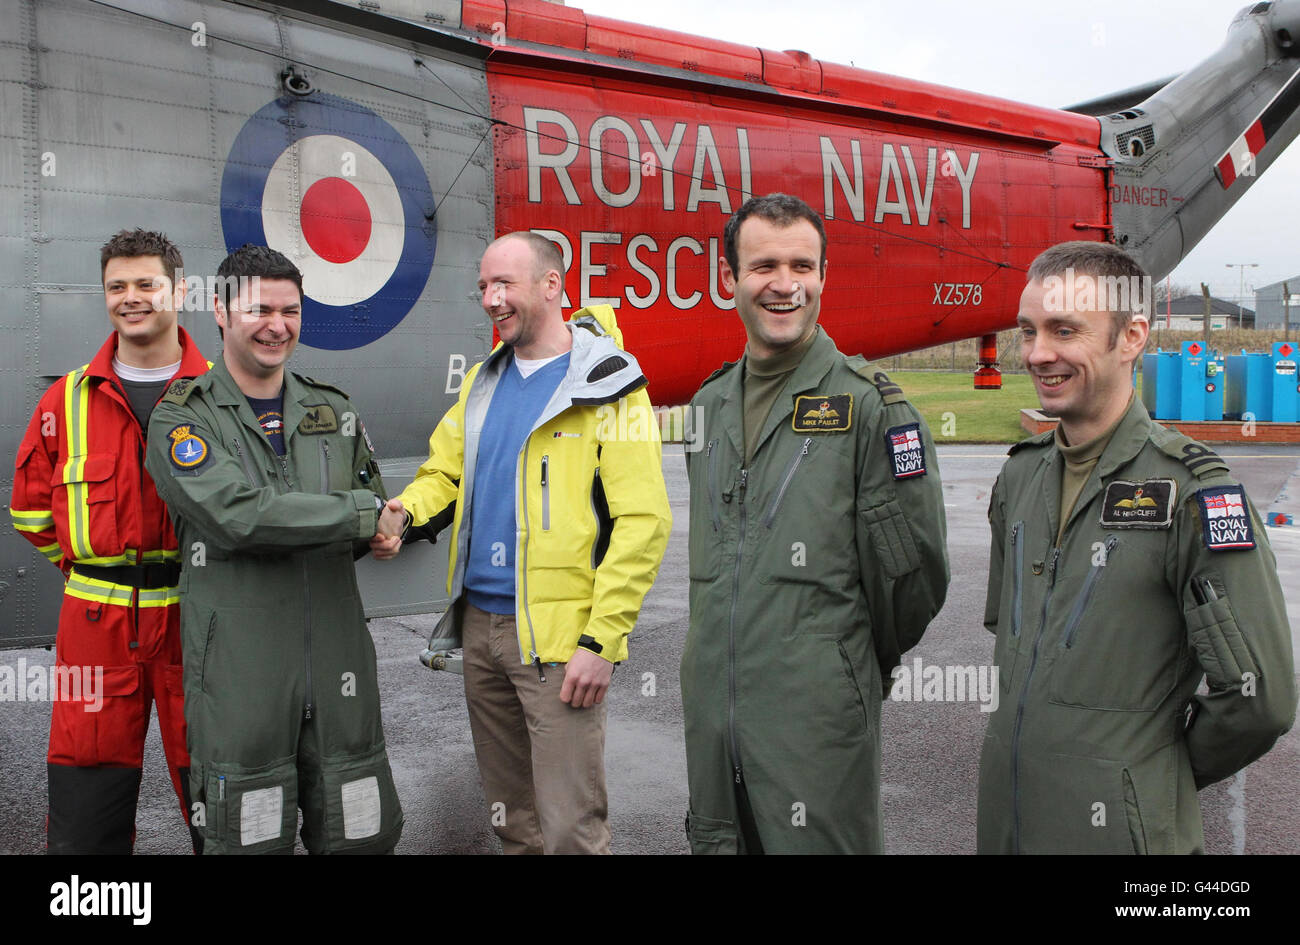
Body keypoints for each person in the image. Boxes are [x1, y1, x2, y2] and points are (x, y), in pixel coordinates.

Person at [978, 241, 1296, 854]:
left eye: (1064, 330)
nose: (1038, 353)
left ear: (1131, 337)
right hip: (1007, 822)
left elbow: (1262, 701)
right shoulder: (1020, 477)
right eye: (1029, 330)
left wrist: (1149, 770)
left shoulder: (1196, 493)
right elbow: (1016, 646)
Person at [383, 231, 671, 854]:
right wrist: (403, 514)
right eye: (484, 286)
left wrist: (604, 639)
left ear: (551, 285)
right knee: (511, 822)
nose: (490, 299)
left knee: (570, 829)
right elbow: (445, 474)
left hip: (561, 642)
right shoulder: (484, 382)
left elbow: (643, 522)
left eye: (504, 284)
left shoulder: (609, 386)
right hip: (481, 629)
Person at [680, 193, 949, 854]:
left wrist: (841, 665)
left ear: (824, 277)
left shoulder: (870, 409)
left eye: (802, 265)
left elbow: (911, 580)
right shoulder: (707, 405)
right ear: (728, 279)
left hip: (817, 725)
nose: (784, 283)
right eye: (763, 264)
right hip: (714, 721)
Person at [145, 244, 405, 854]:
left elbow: (371, 505)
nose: (276, 324)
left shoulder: (332, 409)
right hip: (243, 673)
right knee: (249, 839)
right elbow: (237, 517)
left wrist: (381, 530)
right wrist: (362, 517)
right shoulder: (184, 419)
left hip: (339, 663)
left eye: (290, 310)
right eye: (259, 308)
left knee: (359, 833)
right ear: (219, 310)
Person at [10, 229, 209, 853]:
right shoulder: (64, 402)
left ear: (179, 290)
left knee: (220, 787)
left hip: (202, 618)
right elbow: (31, 513)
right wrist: (96, 574)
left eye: (146, 284)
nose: (131, 298)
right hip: (95, 628)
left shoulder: (222, 394)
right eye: (116, 286)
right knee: (85, 802)